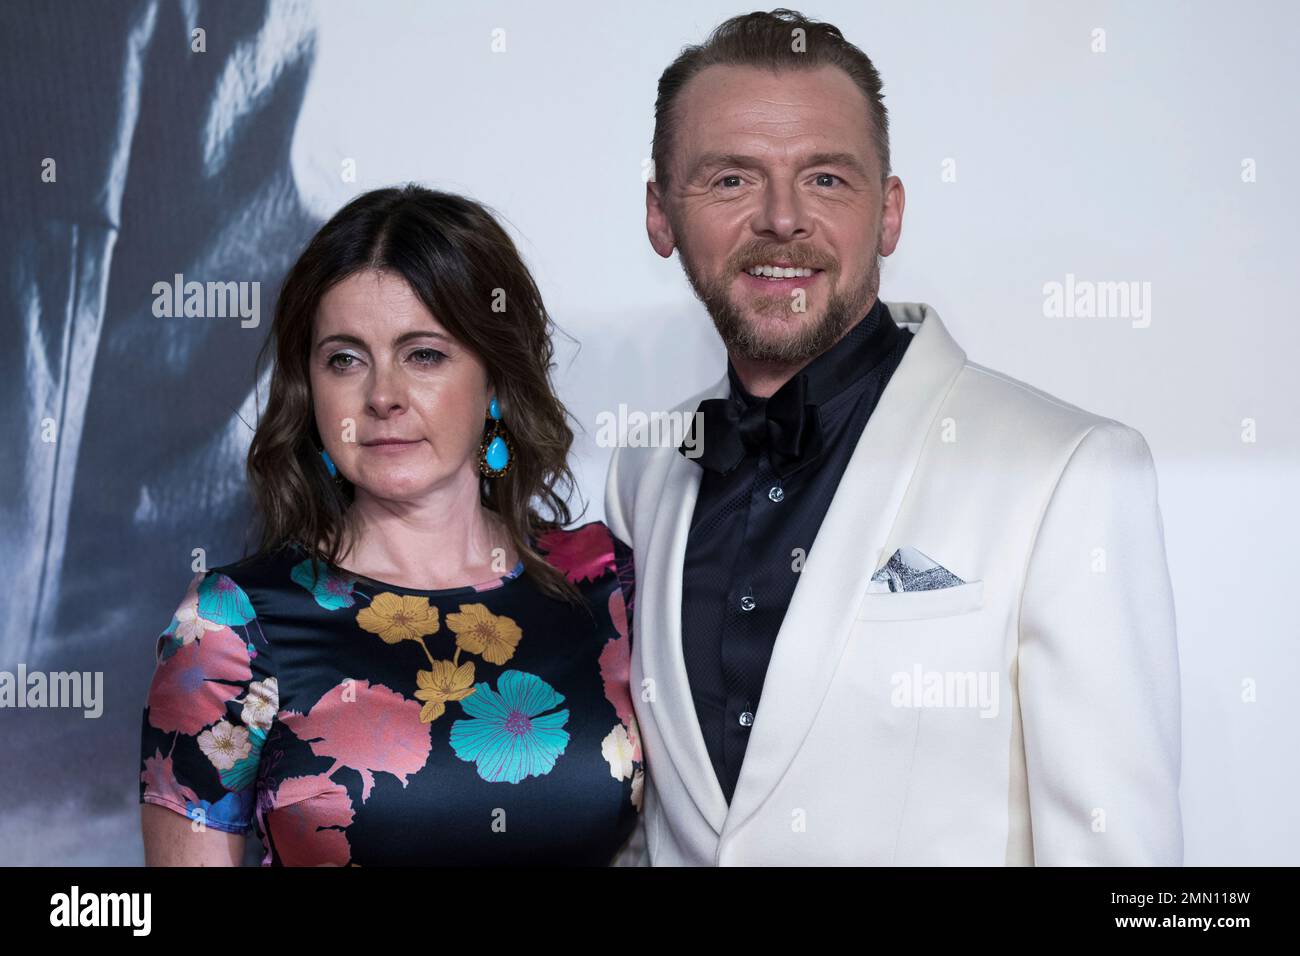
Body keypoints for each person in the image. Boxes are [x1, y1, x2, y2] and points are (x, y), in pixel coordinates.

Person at [605, 9, 1182, 865]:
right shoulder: (643, 471)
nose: (781, 219)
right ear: (661, 215)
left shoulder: (1070, 471)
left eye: (827, 180)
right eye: (730, 180)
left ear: (890, 213)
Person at [139, 185, 644, 866]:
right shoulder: (229, 627)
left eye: (424, 354)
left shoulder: (607, 585)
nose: (382, 397)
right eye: (345, 359)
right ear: (309, 387)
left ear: (494, 379)